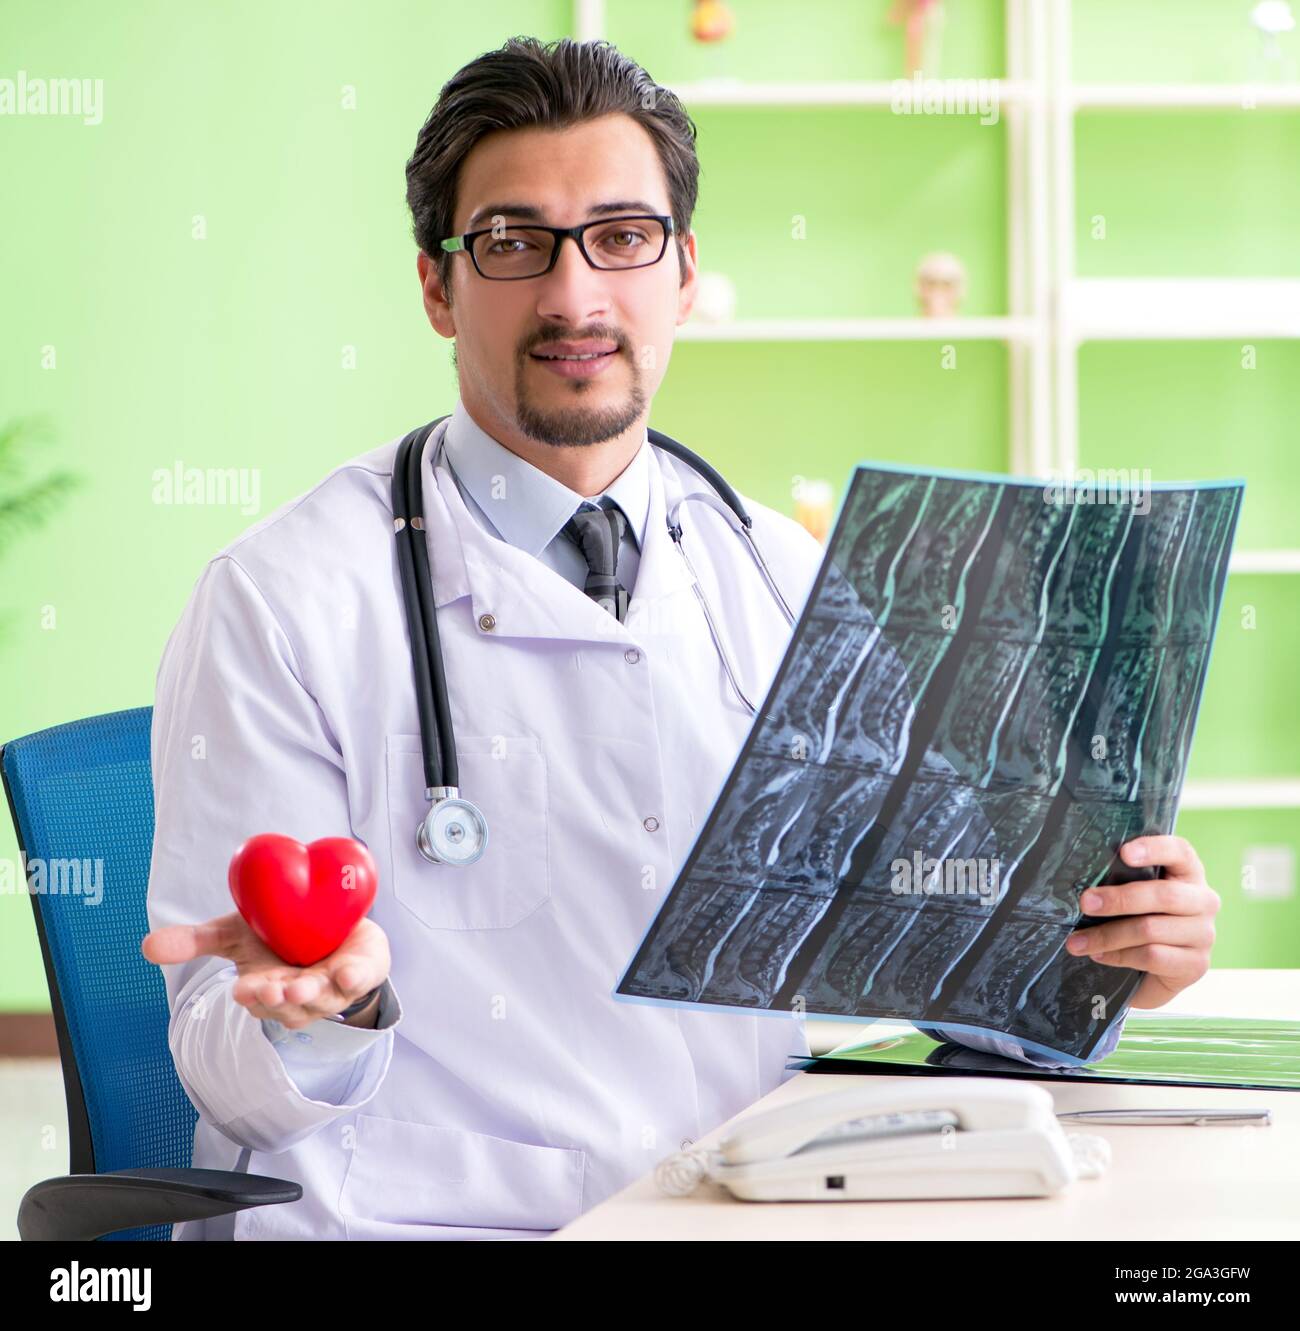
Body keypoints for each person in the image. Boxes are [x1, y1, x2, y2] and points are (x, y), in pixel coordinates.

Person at [141, 36, 1221, 1241]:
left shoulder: (783, 571)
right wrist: (318, 1013)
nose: (574, 296)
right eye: (512, 242)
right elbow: (217, 1061)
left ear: (683, 271)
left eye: (621, 235)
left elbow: (937, 956)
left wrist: (1100, 958)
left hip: (751, 1209)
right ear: (439, 285)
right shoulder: (281, 600)